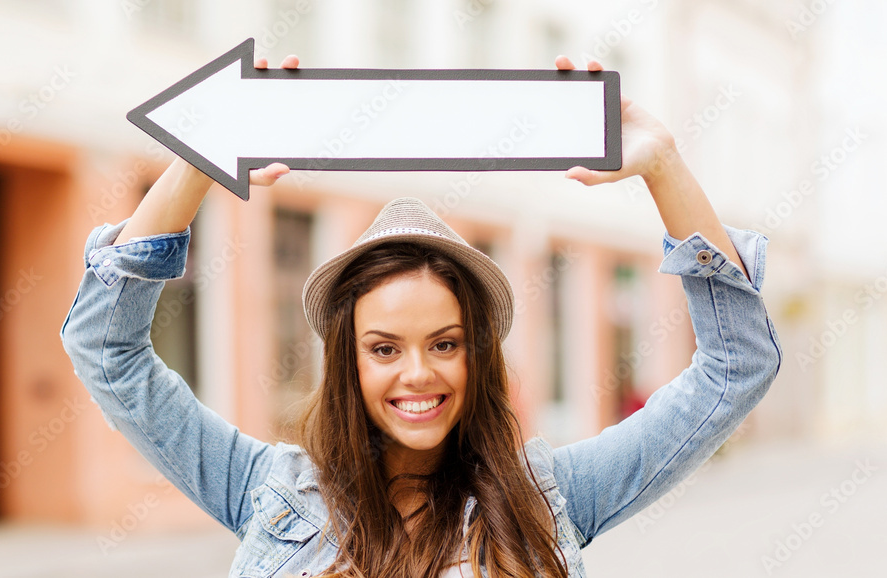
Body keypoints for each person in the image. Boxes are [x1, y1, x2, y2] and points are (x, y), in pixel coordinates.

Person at [59, 53, 781, 578]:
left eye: (445, 343)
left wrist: (665, 167)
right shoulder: (264, 491)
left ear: (480, 354)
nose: (417, 374)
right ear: (348, 360)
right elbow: (106, 348)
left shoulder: (551, 498)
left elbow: (734, 366)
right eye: (383, 348)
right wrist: (198, 159)